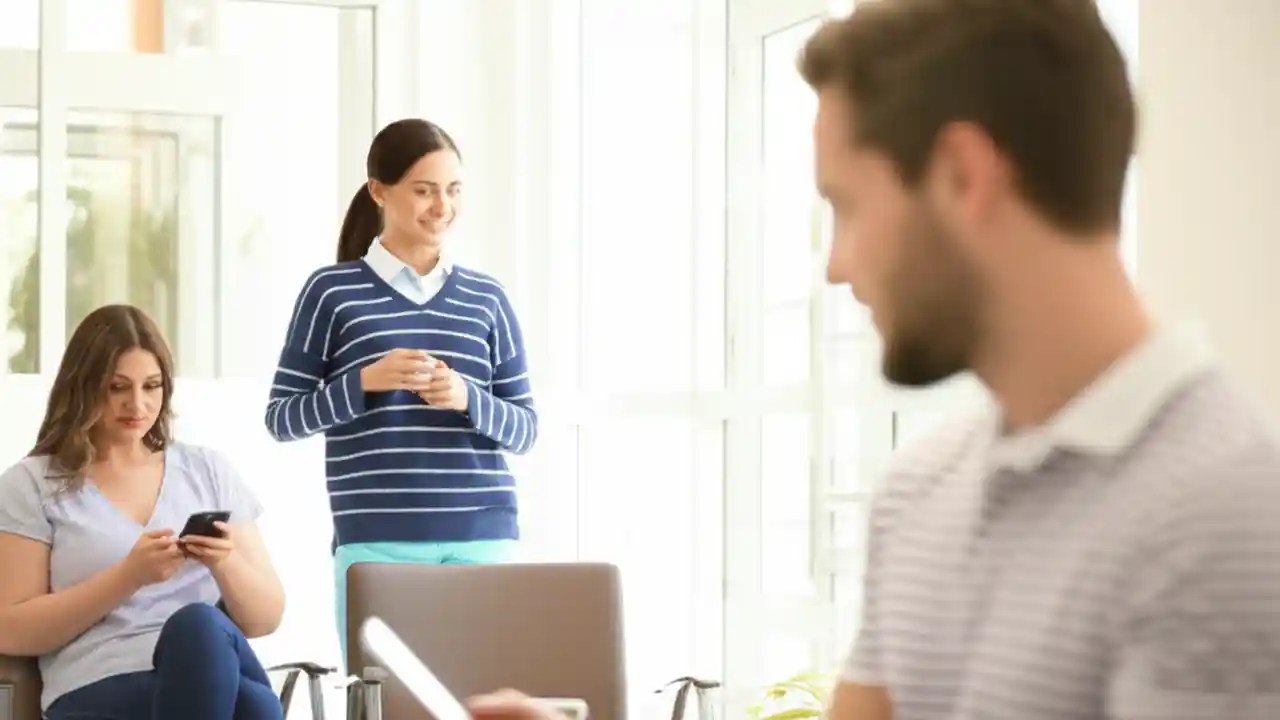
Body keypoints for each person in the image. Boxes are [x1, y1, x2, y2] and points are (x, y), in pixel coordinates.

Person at [468, 0, 1280, 718]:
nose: (837, 266)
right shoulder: (922, 490)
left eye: (846, 206)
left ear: (965, 175)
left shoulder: (1225, 520)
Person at [264, 118, 537, 657]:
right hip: (376, 539)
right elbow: (282, 418)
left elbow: (525, 429)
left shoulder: (487, 298)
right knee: (383, 702)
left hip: (481, 535)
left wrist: (466, 398)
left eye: (453, 190)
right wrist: (364, 382)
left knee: (482, 702)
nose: (442, 206)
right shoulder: (330, 292)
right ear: (378, 191)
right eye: (424, 190)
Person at [0, 304, 286, 720]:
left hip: (210, 671)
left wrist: (226, 563)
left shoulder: (207, 470)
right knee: (255, 706)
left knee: (199, 627)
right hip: (101, 685)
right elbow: (10, 629)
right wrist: (129, 575)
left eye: (152, 386)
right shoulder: (32, 484)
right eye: (118, 387)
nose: (137, 403)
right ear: (82, 386)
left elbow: (264, 619)